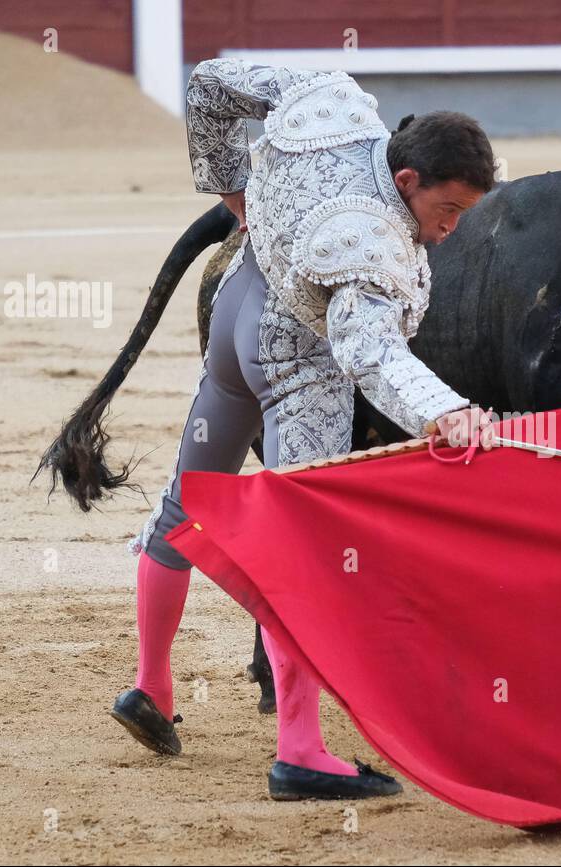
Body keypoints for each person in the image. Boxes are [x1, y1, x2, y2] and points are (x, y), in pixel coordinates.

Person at [110, 57, 497, 801]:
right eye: (446, 211)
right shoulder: (370, 242)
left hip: (235, 311)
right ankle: (299, 751)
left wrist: (228, 185)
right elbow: (367, 352)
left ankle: (151, 688)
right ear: (409, 182)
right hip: (298, 367)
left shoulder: (329, 101)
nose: (448, 233)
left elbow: (210, 82)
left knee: (186, 499)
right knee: (305, 556)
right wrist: (445, 412)